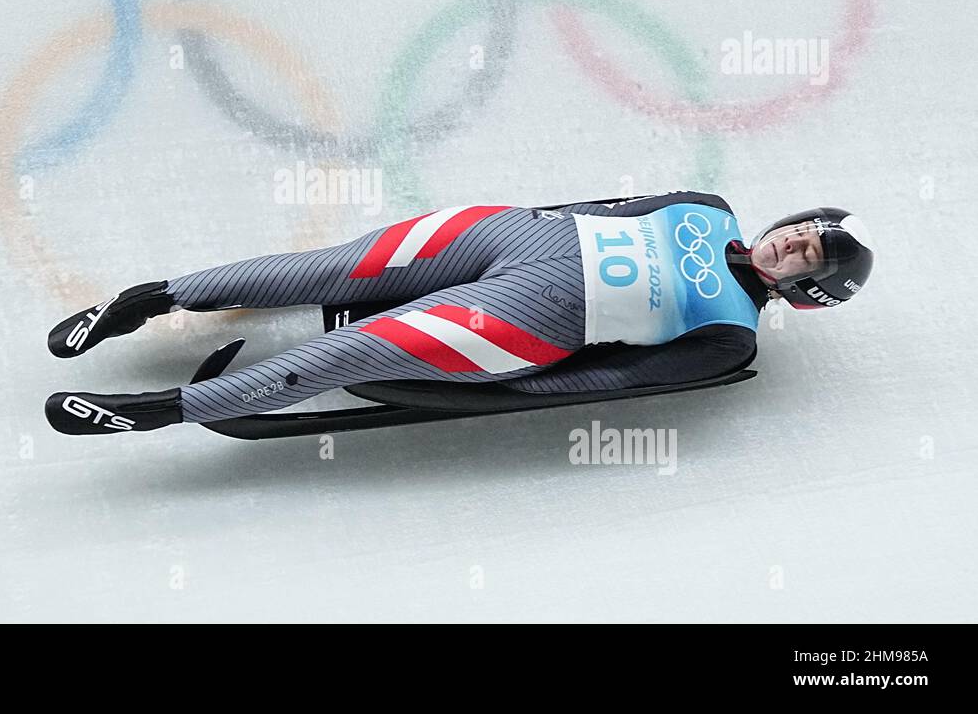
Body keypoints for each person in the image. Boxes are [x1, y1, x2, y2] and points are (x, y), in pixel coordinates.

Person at [44, 191, 874, 434]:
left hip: (525, 318)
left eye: (804, 256)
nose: (791, 244)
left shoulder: (729, 336)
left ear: (804, 291)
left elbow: (611, 380)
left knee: (352, 351)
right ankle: (144, 300)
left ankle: (158, 411)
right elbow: (604, 205)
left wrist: (499, 394)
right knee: (329, 266)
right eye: (799, 232)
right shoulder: (707, 206)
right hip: (502, 234)